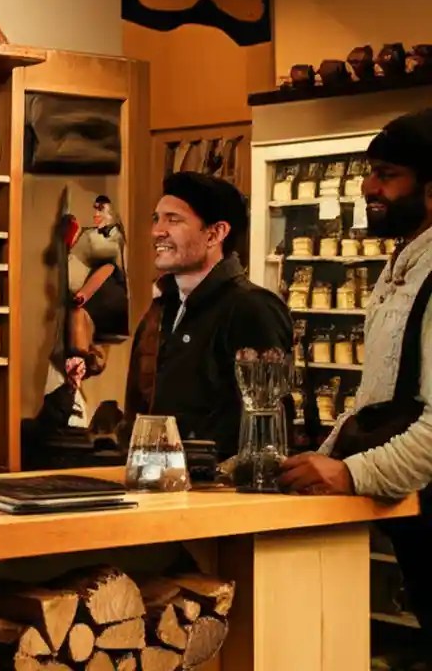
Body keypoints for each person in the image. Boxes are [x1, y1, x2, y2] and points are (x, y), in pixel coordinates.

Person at [279, 109, 432, 641]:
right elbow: (378, 396)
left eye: (388, 175)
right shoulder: (403, 267)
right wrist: (323, 454)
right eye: (371, 173)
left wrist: (349, 474)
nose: (369, 187)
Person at [124, 172, 292, 458]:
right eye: (156, 219)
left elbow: (268, 429)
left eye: (173, 220)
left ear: (215, 233)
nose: (157, 231)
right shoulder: (163, 307)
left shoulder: (251, 308)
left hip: (220, 496)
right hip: (161, 486)